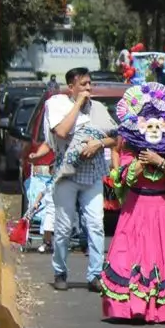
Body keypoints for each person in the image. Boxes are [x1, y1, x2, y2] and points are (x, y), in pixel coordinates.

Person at [100, 83, 165, 322]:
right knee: (131, 256)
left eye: (158, 121)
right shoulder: (130, 147)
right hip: (136, 208)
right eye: (147, 121)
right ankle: (133, 307)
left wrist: (161, 161)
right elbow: (124, 176)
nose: (153, 127)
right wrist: (143, 159)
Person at [44, 67, 118, 292]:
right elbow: (62, 133)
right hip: (67, 174)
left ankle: (95, 274)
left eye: (90, 84)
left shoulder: (99, 108)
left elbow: (115, 138)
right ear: (71, 87)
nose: (88, 88)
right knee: (64, 227)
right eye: (84, 84)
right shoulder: (58, 105)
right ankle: (60, 271)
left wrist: (99, 143)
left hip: (93, 174)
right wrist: (78, 104)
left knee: (95, 224)